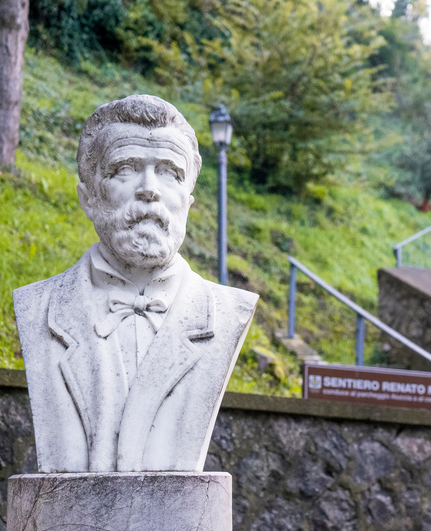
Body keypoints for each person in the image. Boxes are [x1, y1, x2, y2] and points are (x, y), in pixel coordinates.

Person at [14, 95, 257, 473]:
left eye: (170, 172)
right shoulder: (39, 307)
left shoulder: (228, 313)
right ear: (89, 199)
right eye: (126, 168)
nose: (150, 189)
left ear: (188, 202)